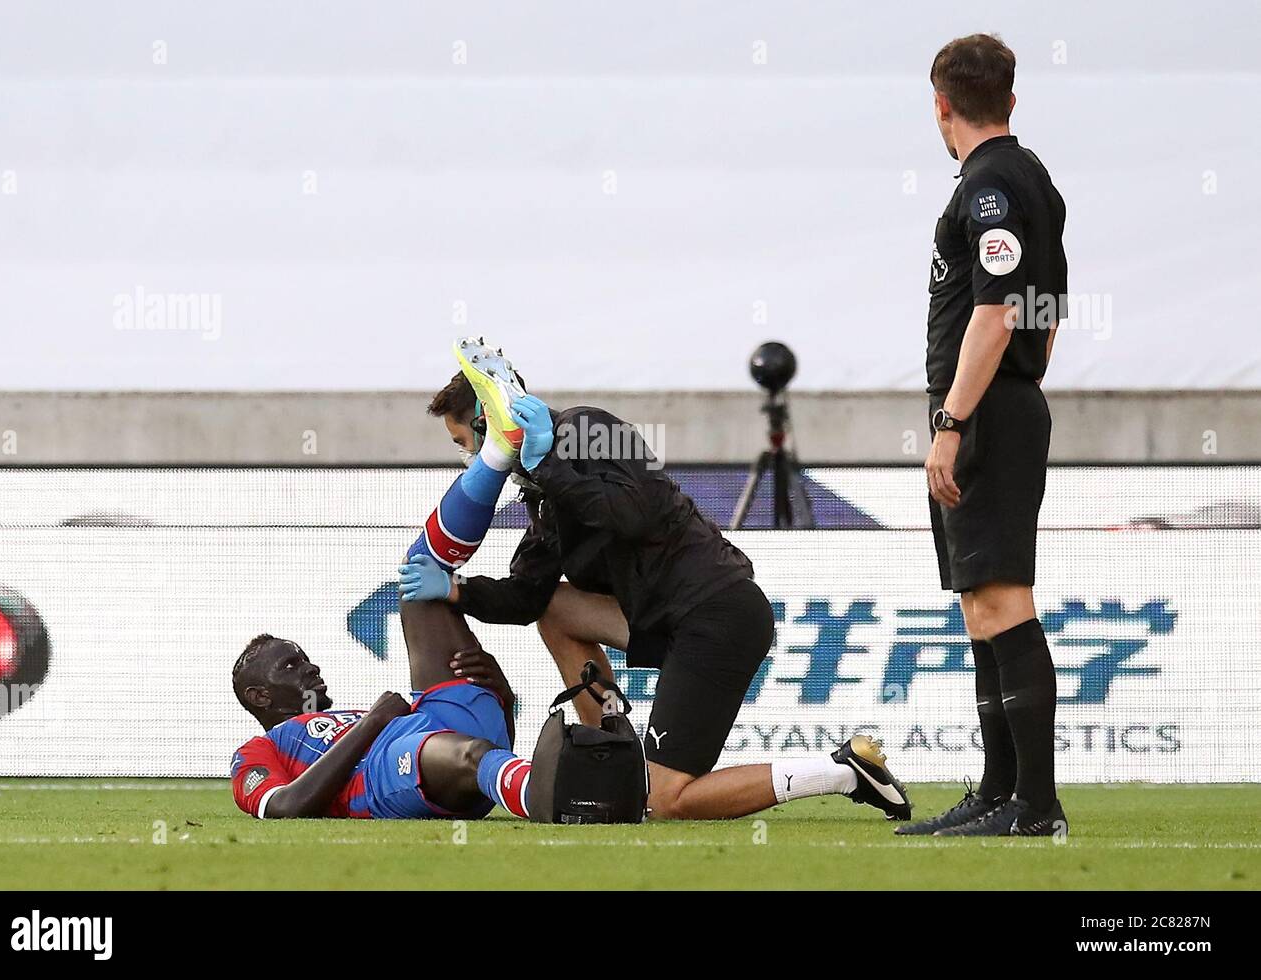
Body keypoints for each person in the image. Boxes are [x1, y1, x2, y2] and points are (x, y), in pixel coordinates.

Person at [396, 337, 912, 822]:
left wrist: (547, 463)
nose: (469, 459)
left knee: (667, 799)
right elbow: (529, 596)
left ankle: (844, 771)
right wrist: (458, 591)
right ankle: (610, 757)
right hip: (669, 619)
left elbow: (633, 515)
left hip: (718, 615)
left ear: (488, 423)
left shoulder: (585, 429)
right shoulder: (543, 486)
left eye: (465, 442)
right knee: (555, 607)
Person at [904, 34, 1069, 837]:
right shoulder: (1030, 177)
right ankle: (1000, 792)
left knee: (1003, 599)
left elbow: (1000, 310)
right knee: (982, 605)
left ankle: (1034, 806)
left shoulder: (991, 185)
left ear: (941, 104)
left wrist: (953, 421)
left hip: (984, 412)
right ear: (1011, 95)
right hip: (1005, 402)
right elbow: (1047, 312)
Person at [229, 609, 532, 820]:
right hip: (381, 772)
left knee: (420, 590)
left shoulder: (356, 718)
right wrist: (372, 722)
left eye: (305, 660)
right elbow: (285, 806)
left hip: (435, 739)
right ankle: (551, 792)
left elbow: (493, 750)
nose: (311, 668)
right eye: (290, 666)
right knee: (471, 755)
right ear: (259, 696)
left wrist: (500, 698)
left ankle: (545, 782)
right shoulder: (258, 750)